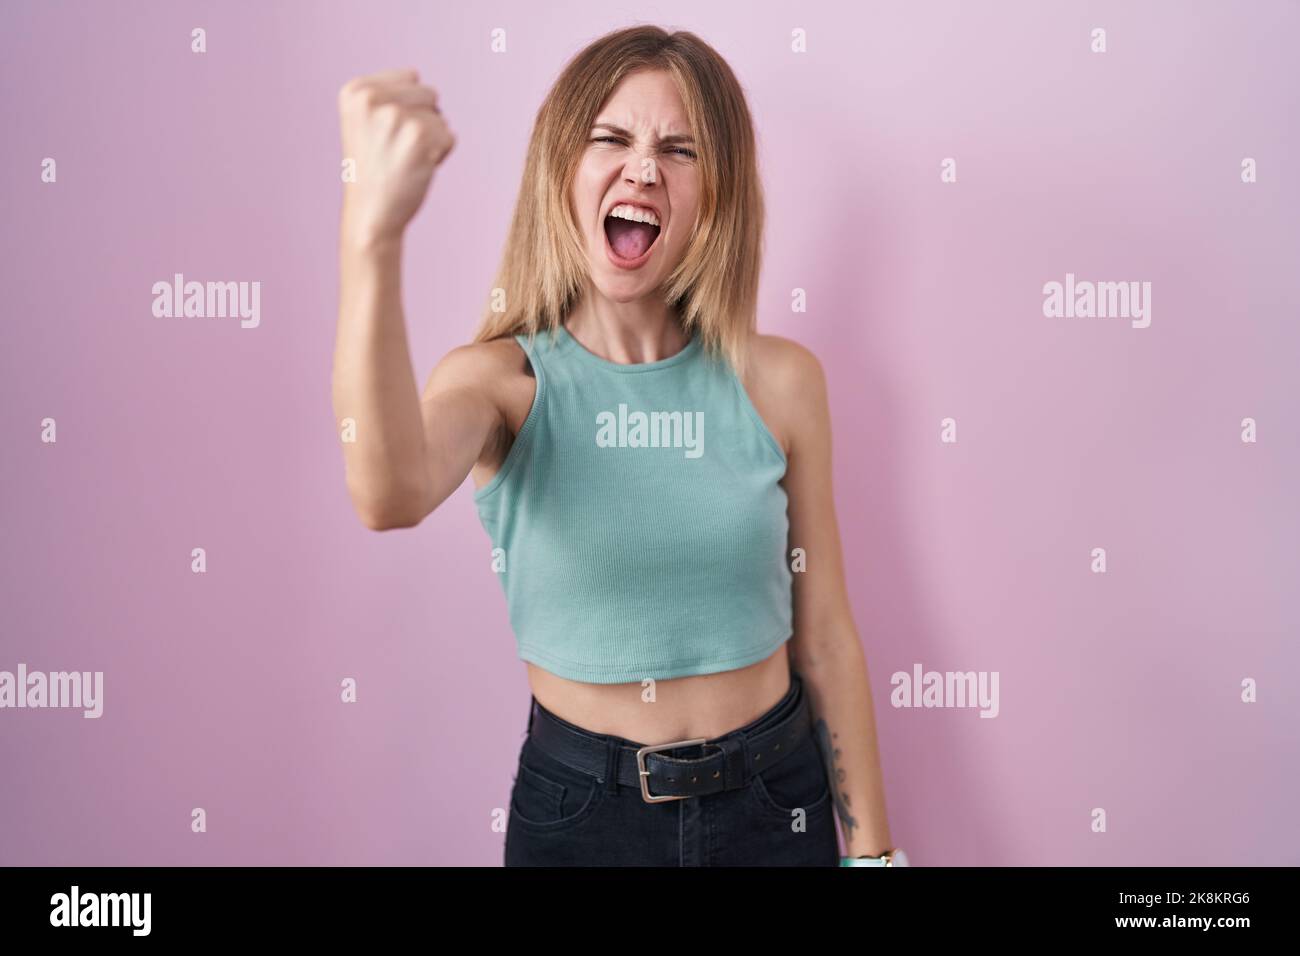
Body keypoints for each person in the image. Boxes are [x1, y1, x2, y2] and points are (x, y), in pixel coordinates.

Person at [332, 24, 902, 867]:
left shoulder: (780, 382)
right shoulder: (500, 385)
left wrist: (875, 860)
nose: (644, 167)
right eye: (612, 138)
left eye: (681, 149)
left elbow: (824, 638)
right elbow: (387, 494)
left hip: (775, 798)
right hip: (581, 818)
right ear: (561, 168)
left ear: (716, 195)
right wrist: (371, 239)